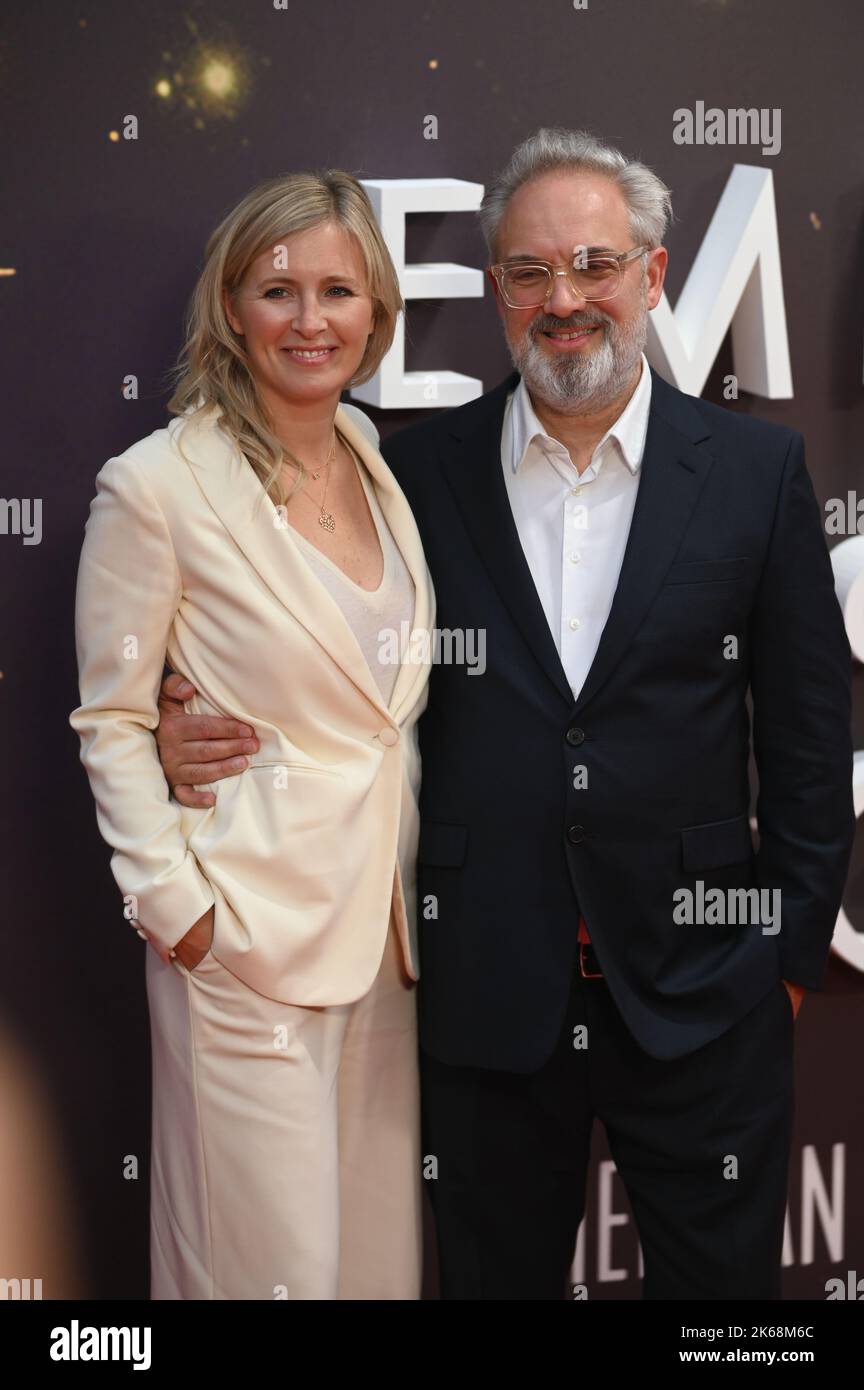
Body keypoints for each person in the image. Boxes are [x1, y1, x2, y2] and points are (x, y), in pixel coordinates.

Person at [153, 129, 855, 1300]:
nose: (564, 299)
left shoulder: (752, 473)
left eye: (595, 264)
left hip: (700, 997)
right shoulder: (408, 477)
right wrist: (190, 734)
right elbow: (327, 679)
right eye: (530, 272)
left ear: (654, 275)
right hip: (482, 1000)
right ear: (493, 292)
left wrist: (780, 954)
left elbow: (805, 741)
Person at [69, 169, 435, 1300]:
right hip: (245, 945)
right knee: (261, 1277)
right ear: (232, 306)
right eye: (279, 290)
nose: (310, 320)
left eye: (339, 289)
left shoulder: (378, 460)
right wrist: (179, 916)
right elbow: (114, 716)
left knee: (372, 1271)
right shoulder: (158, 486)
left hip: (383, 940)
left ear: (377, 309)